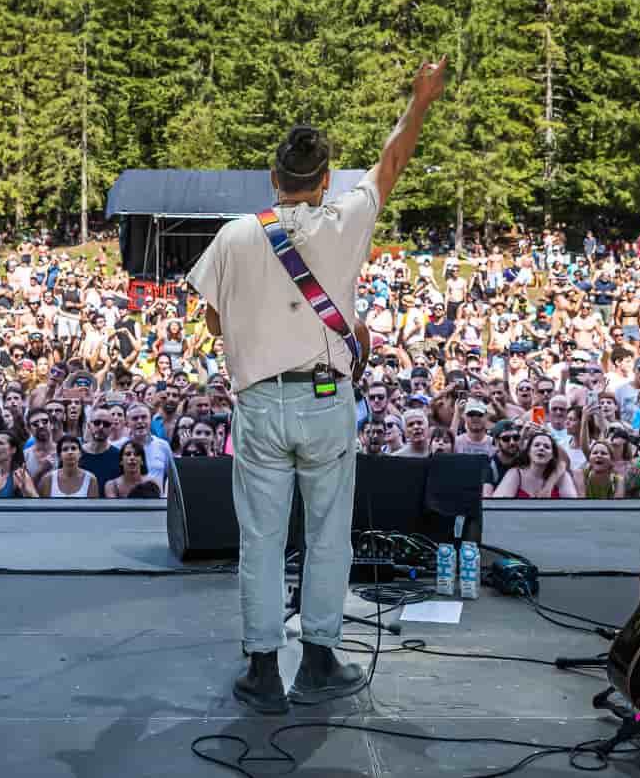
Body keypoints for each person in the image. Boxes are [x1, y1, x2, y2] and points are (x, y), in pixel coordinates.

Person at [186, 58, 446, 714]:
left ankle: (264, 669)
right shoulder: (345, 219)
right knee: (329, 534)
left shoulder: (236, 235)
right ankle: (322, 657)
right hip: (327, 401)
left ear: (274, 179)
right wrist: (419, 100)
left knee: (262, 538)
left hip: (261, 404)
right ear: (326, 179)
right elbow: (391, 162)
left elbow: (213, 318)